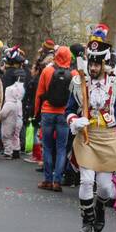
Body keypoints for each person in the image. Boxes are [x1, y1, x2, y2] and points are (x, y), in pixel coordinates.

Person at [66, 25, 116, 232]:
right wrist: (74, 120)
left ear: (104, 63)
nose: (93, 67)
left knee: (106, 188)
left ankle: (100, 208)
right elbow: (69, 109)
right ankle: (86, 220)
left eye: (97, 63)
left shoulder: (115, 84)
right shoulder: (78, 82)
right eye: (91, 62)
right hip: (86, 137)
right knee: (87, 180)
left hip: (107, 138)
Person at [34, 45, 74, 191]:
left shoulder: (47, 70)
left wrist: (36, 113)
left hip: (47, 112)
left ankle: (47, 180)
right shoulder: (73, 74)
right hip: (64, 114)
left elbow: (39, 93)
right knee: (62, 148)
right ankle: (57, 180)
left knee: (48, 147)